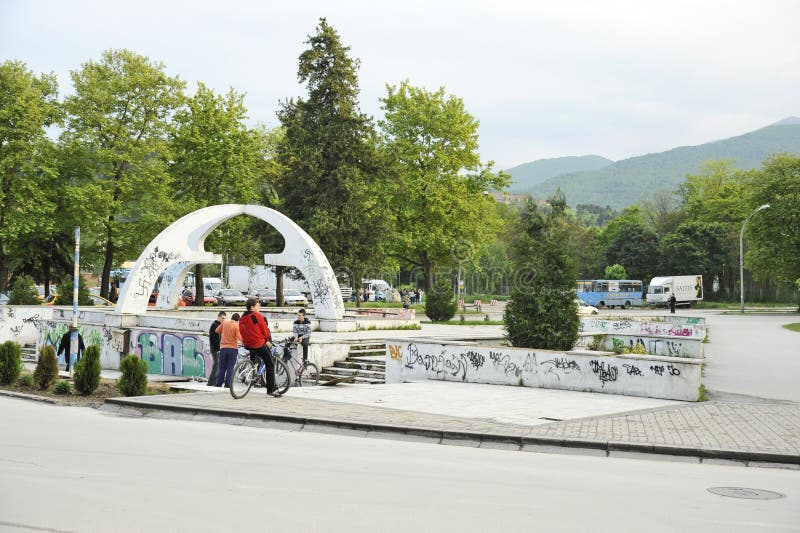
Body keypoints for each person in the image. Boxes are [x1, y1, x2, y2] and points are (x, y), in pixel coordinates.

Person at [238, 298, 280, 397]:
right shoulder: (256, 316)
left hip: (248, 344)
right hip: (258, 344)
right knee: (269, 364)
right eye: (258, 305)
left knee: (255, 361)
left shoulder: (242, 318)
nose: (259, 307)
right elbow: (265, 330)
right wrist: (267, 341)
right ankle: (271, 389)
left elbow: (241, 331)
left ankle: (254, 372)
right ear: (252, 307)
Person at [215, 313, 241, 388]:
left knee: (222, 367)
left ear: (232, 318)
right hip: (232, 349)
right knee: (230, 367)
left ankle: (218, 384)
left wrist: (224, 333)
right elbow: (239, 337)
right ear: (238, 320)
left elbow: (217, 330)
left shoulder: (225, 322)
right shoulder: (236, 326)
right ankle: (227, 384)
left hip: (223, 348)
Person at [207, 311, 226, 386]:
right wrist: (218, 349)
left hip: (219, 348)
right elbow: (213, 339)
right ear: (218, 317)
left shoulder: (220, 324)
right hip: (215, 348)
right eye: (222, 318)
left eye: (224, 318)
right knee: (216, 364)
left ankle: (215, 381)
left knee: (218, 364)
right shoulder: (214, 325)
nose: (223, 320)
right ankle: (211, 382)